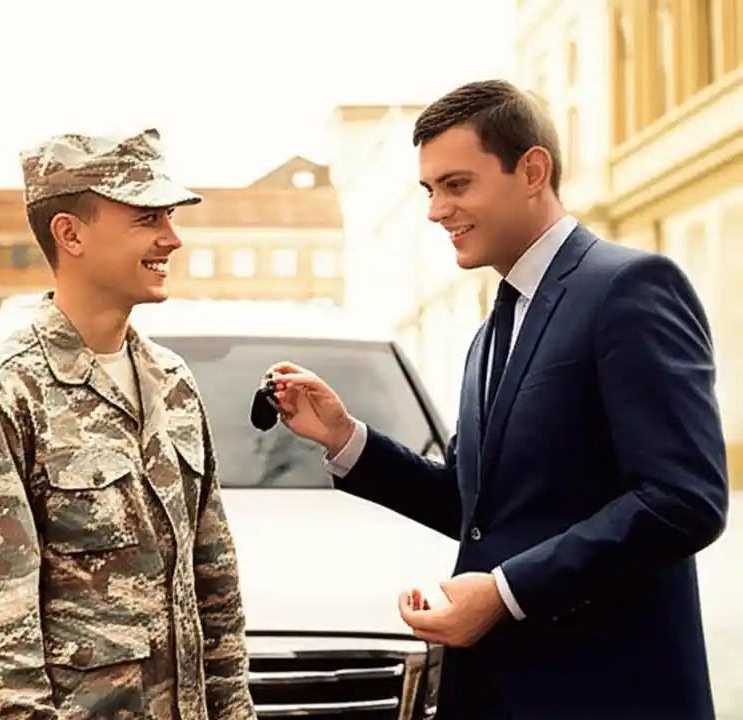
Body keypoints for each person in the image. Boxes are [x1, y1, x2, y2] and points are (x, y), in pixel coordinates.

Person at [267, 79, 729, 719]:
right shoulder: (491, 331)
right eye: (430, 190)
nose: (436, 211)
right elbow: (477, 508)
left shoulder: (629, 288)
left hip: (604, 695)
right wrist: (345, 438)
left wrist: (506, 593)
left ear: (532, 170)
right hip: (496, 693)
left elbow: (685, 500)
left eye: (457, 185)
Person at [0, 128, 255, 720]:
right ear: (70, 234)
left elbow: (216, 592)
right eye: (147, 218)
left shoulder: (172, 383)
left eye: (170, 217)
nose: (172, 238)